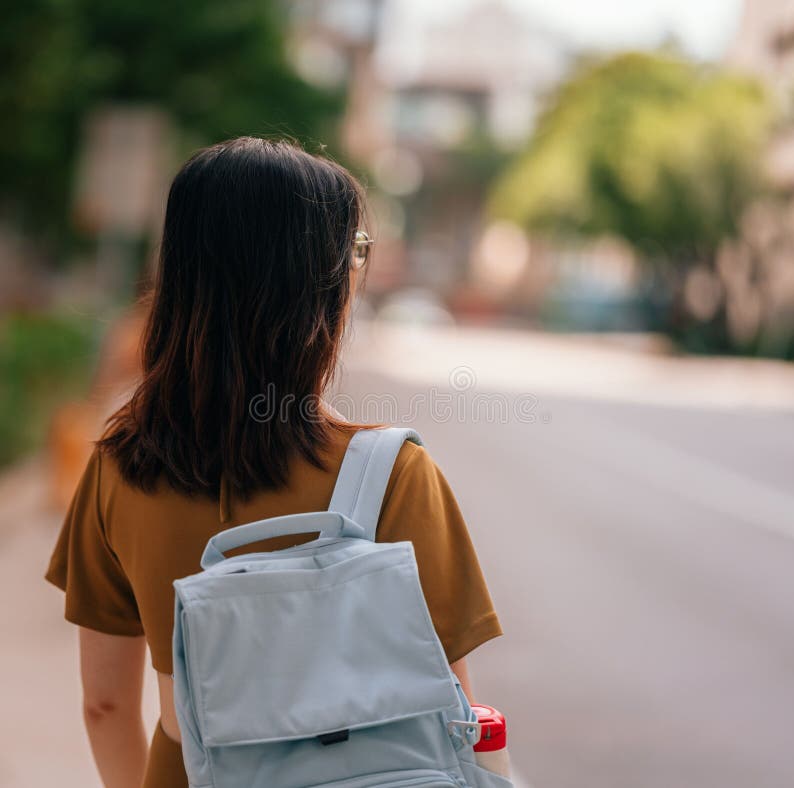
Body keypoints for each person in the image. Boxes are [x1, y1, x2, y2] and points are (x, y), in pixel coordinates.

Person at [45, 137, 503, 788]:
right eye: (355, 254)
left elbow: (105, 704)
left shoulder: (120, 469)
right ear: (318, 290)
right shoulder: (396, 474)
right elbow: (451, 714)